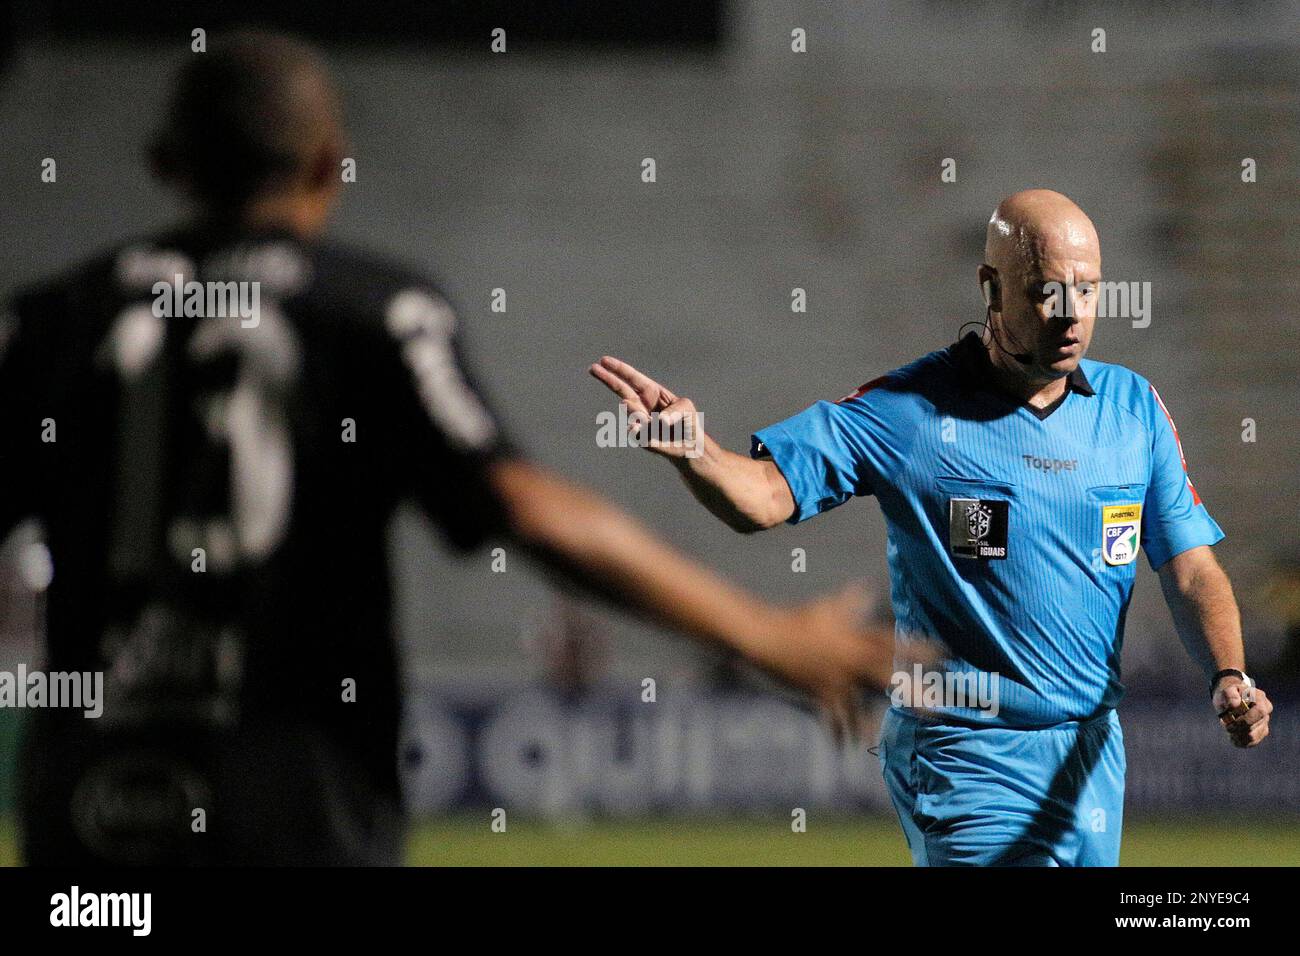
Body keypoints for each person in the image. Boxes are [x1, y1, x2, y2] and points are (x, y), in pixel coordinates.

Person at [0, 31, 894, 866]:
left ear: (163, 165)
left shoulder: (47, 324)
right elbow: (529, 509)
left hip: (93, 813)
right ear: (328, 167)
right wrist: (764, 632)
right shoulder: (375, 313)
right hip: (298, 806)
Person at [591, 188, 1273, 866]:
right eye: (1044, 292)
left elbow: (1189, 566)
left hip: (1093, 752)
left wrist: (1229, 673)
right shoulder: (909, 411)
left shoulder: (1134, 410)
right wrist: (695, 450)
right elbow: (764, 496)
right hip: (966, 749)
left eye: (1087, 291)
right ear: (991, 288)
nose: (1070, 315)